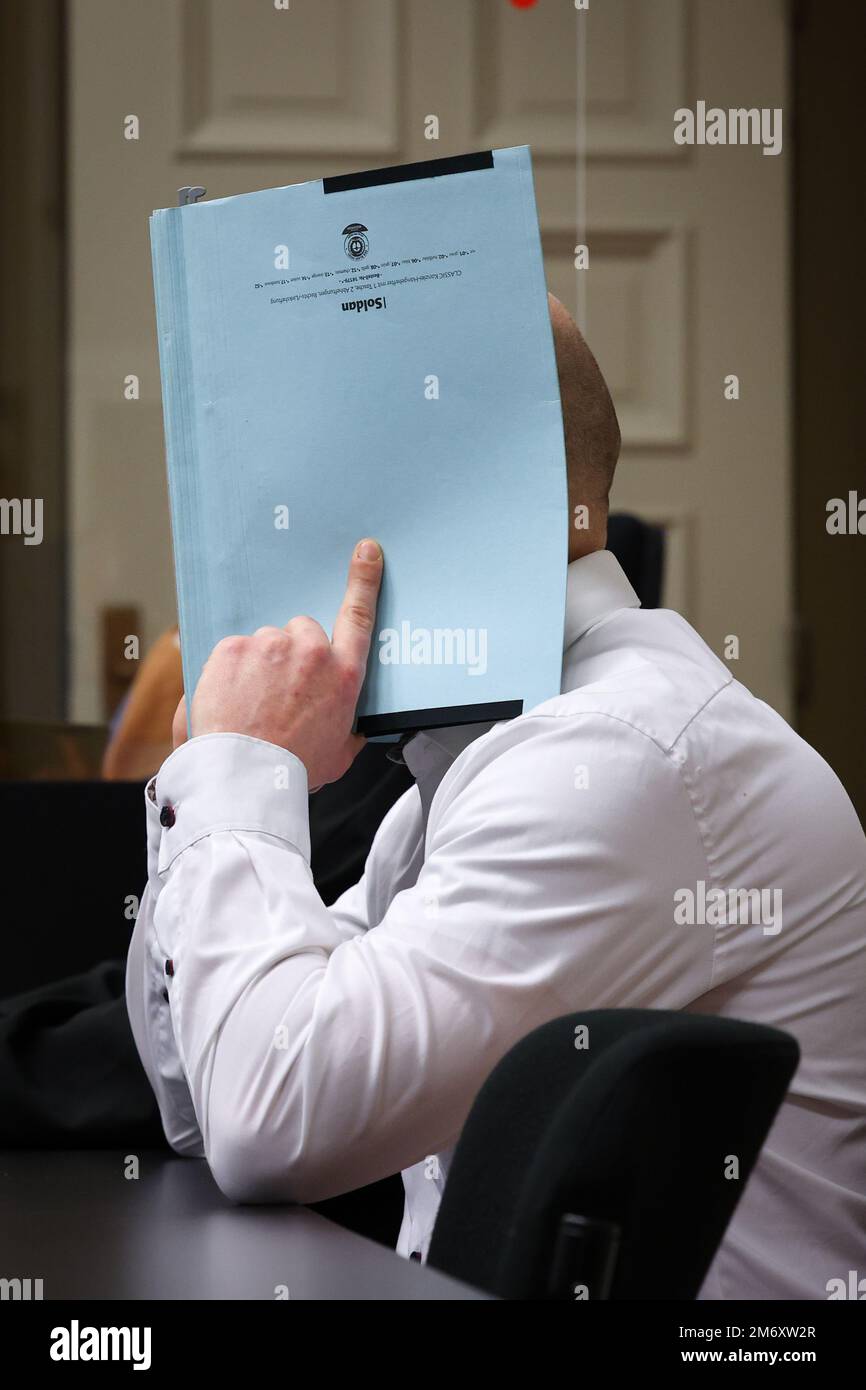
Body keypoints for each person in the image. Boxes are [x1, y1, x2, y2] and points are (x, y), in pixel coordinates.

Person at [126, 294, 866, 1300]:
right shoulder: (460, 781)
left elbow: (269, 1124)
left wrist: (238, 770)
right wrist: (222, 782)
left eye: (317, 492)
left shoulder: (617, 758)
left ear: (476, 490)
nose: (279, 541)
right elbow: (199, 1098)